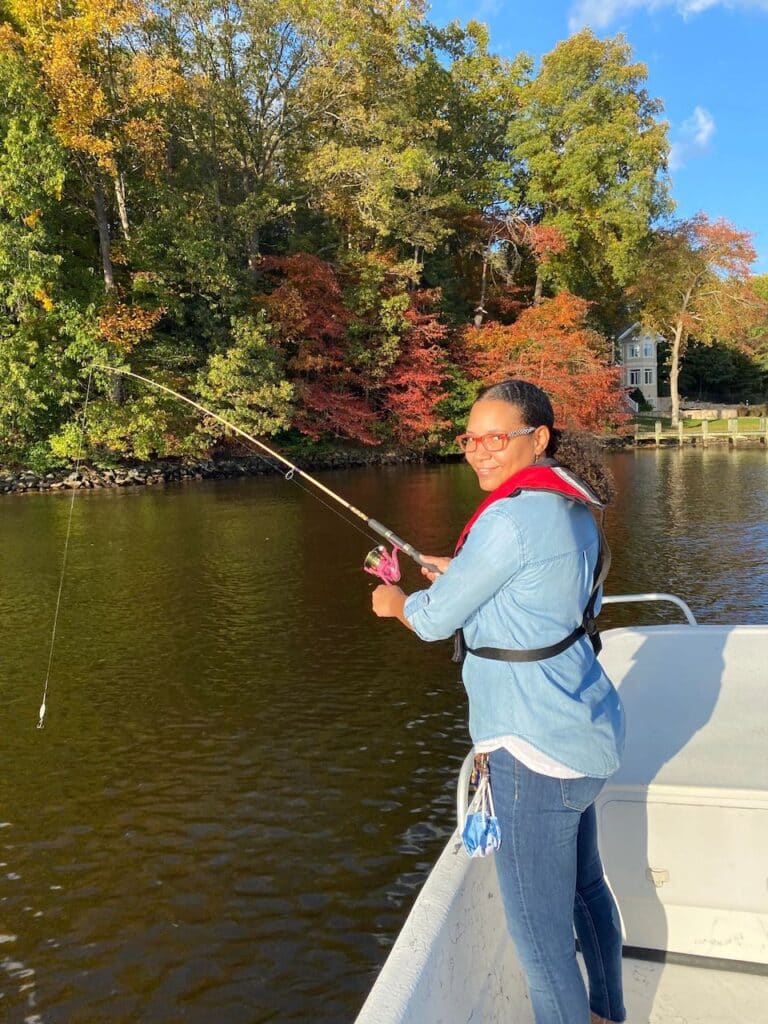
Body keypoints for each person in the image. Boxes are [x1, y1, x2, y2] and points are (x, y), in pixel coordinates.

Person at [371, 379, 626, 1024]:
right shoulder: (571, 506)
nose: (479, 450)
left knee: (541, 949)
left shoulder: (510, 517)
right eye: (469, 438)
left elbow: (431, 622)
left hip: (530, 753)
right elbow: (553, 598)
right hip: (585, 737)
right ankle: (609, 1014)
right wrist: (463, 569)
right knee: (585, 891)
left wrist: (395, 602)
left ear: (537, 438)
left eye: (496, 437)